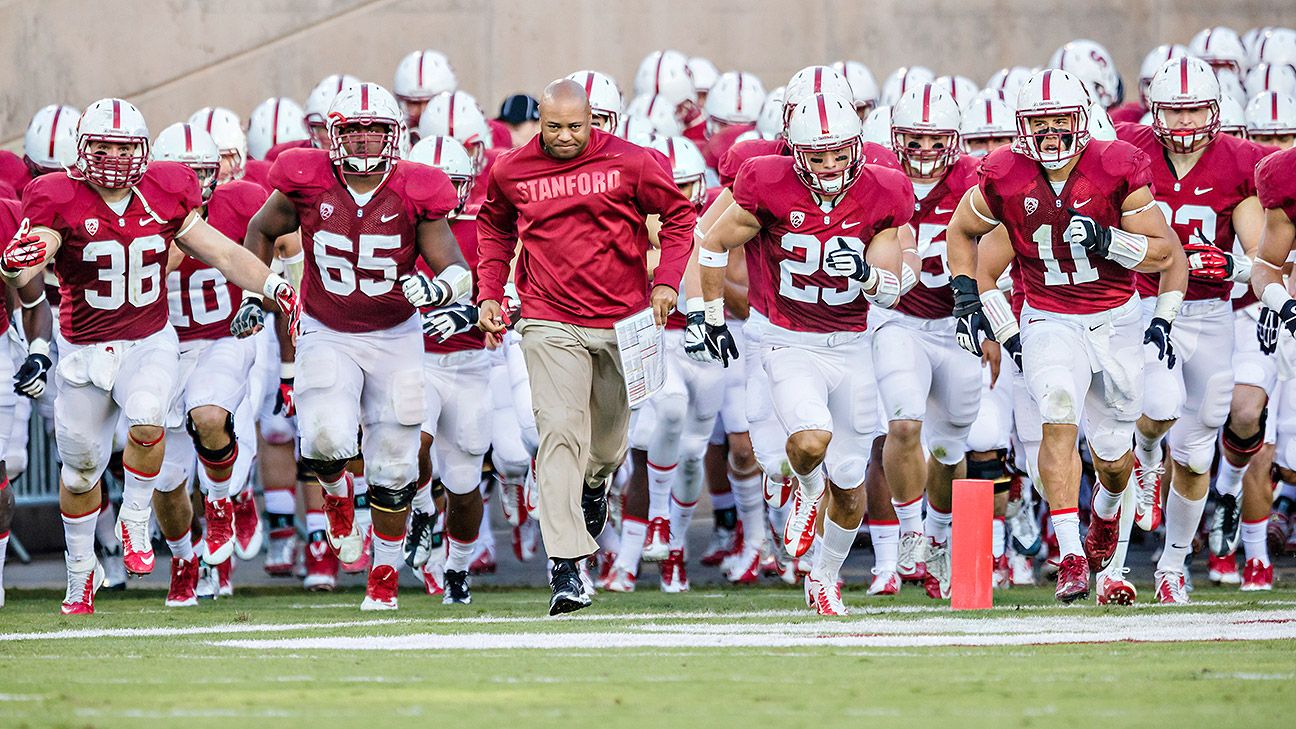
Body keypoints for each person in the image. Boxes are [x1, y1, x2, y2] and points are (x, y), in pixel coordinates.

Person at [2, 98, 299, 615]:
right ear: (82, 149)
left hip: (148, 339)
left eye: (123, 147)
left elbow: (224, 253)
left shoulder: (166, 190)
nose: (113, 158)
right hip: (84, 349)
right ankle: (79, 578)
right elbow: (41, 247)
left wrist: (273, 284)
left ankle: (135, 521)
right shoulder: (56, 194)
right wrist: (19, 263)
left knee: (147, 417)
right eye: (103, 146)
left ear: (143, 151)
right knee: (80, 474)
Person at [946, 70, 1186, 604]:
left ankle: (1103, 517)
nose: (1051, 134)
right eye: (1039, 122)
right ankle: (1072, 556)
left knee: (1114, 456)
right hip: (1049, 317)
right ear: (1022, 126)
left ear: (1083, 121)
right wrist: (966, 298)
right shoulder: (1004, 173)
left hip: (1116, 318)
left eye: (1060, 121)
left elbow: (1165, 254)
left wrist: (1107, 240)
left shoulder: (1117, 166)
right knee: (1056, 412)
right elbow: (961, 231)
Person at [243, 83, 469, 611]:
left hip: (395, 336)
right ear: (332, 134)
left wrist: (437, 289)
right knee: (323, 439)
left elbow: (456, 268)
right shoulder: (305, 176)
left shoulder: (419, 186)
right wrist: (257, 290)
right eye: (353, 129)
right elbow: (259, 229)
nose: (365, 140)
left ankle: (383, 576)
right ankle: (339, 494)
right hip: (326, 328)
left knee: (394, 466)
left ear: (397, 136)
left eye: (376, 129)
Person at [475, 79, 696, 615]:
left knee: (606, 449)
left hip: (624, 319)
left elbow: (681, 216)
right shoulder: (511, 168)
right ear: (540, 122)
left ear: (592, 120)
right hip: (549, 319)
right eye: (555, 127)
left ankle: (596, 488)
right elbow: (494, 228)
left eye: (577, 126)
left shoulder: (632, 162)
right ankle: (566, 569)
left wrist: (667, 280)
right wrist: (489, 292)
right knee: (558, 435)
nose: (568, 136)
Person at [695, 91, 908, 615]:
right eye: (818, 156)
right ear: (796, 151)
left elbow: (892, 285)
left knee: (853, 479)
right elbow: (712, 240)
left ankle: (825, 577)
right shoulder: (767, 180)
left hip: (851, 344)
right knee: (806, 445)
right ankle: (807, 489)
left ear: (857, 147)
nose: (830, 165)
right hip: (786, 338)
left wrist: (864, 274)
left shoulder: (884, 189)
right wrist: (711, 315)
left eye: (839, 153)